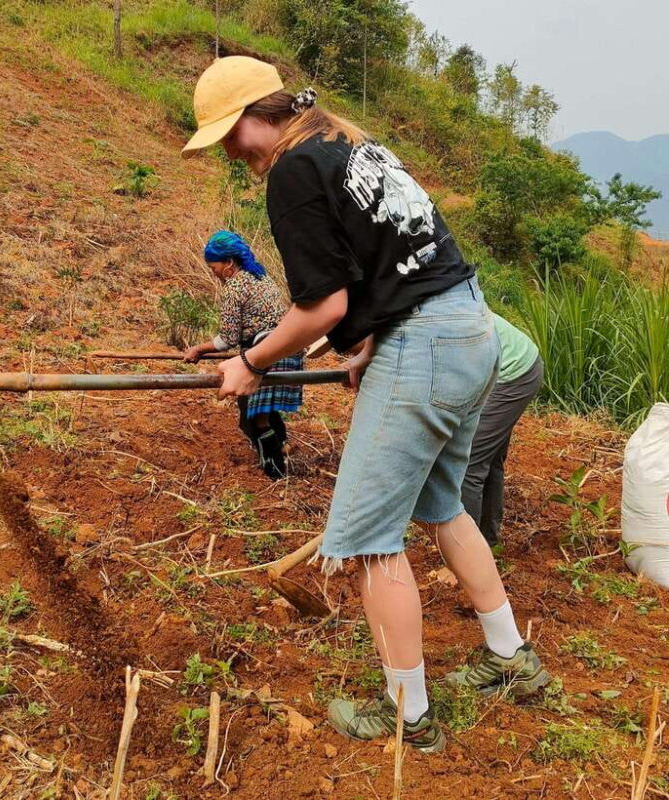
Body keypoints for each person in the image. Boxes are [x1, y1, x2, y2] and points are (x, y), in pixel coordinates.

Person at [182, 56, 550, 753]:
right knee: (441, 507)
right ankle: (510, 657)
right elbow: (403, 259)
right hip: (468, 329)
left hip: (425, 347)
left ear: (258, 116)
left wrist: (251, 362)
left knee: (370, 540)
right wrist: (369, 340)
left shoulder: (292, 171)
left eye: (231, 135)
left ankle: (406, 714)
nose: (232, 153)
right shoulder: (349, 142)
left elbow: (323, 303)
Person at [184, 230, 303, 479]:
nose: (213, 272)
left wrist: (198, 349)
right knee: (264, 409)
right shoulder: (260, 276)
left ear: (228, 263)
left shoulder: (234, 287)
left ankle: (275, 471)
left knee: (255, 414)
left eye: (213, 266)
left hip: (265, 352)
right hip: (287, 348)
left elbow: (227, 339)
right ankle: (281, 448)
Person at [461, 314, 544, 546]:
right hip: (515, 361)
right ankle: (487, 541)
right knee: (489, 458)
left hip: (512, 373)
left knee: (469, 463)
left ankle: (465, 557)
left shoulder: (420, 312)